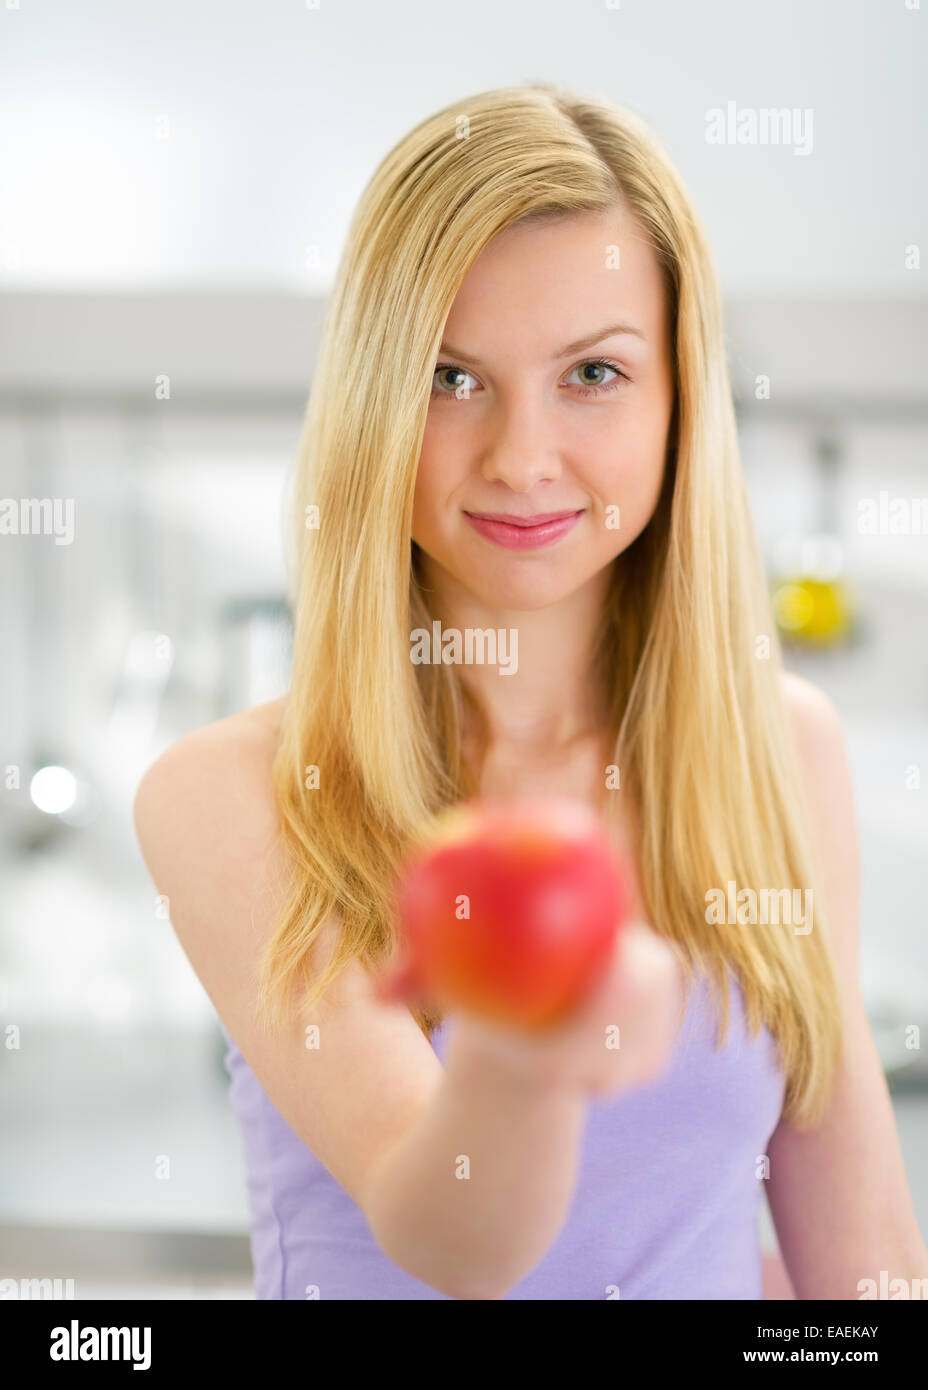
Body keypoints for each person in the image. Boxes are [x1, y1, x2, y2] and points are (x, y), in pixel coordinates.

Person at [133, 82, 928, 1300]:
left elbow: (857, 1267)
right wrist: (530, 1047)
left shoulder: (781, 747)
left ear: (676, 396)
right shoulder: (234, 792)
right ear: (373, 404)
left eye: (594, 374)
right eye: (452, 378)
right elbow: (447, 1235)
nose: (519, 455)